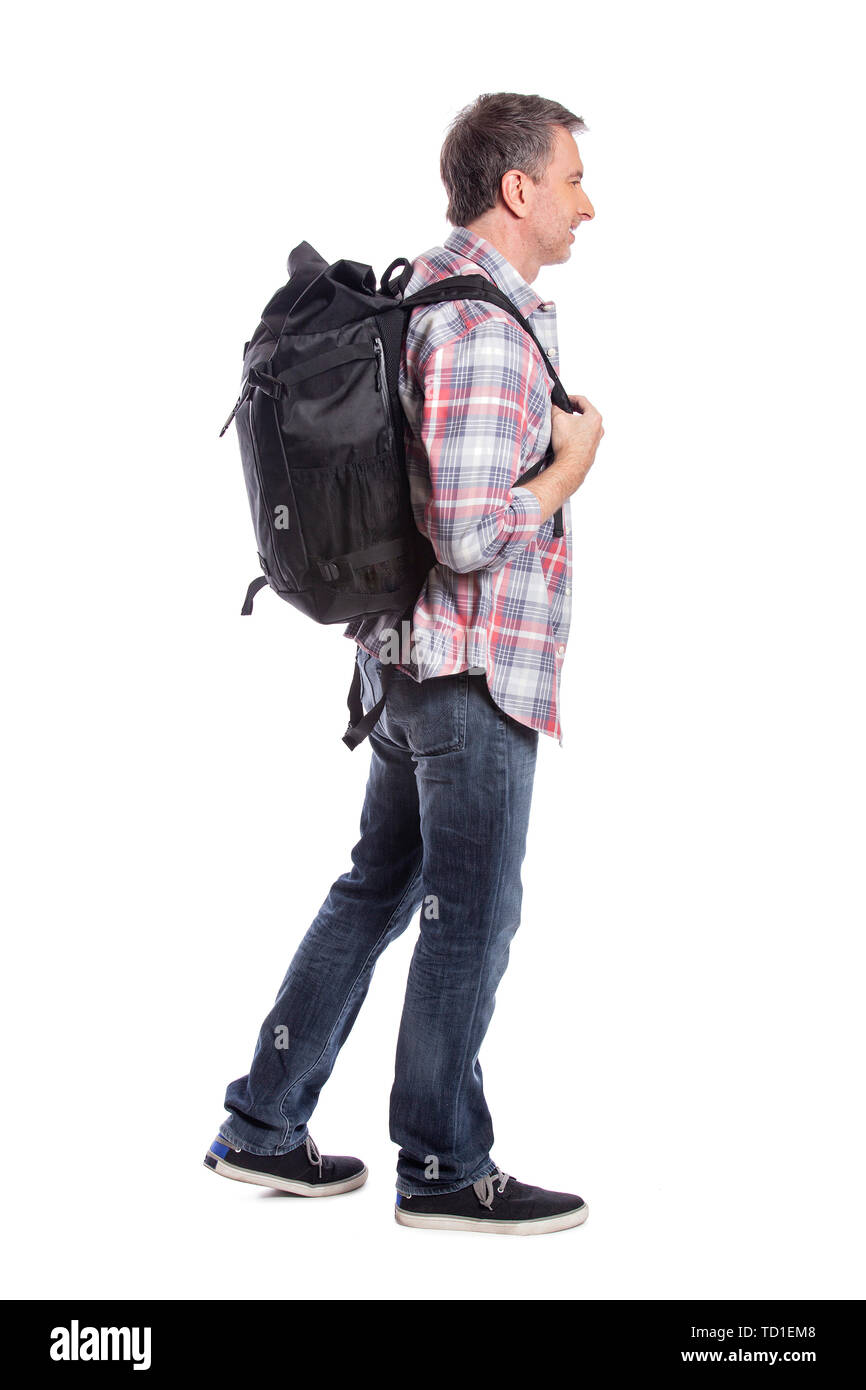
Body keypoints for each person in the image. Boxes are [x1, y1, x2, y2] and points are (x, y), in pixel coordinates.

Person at [204, 91, 604, 1236]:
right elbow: (472, 533)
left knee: (376, 888)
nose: (588, 203)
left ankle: (262, 1122)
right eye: (572, 179)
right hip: (471, 676)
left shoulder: (425, 291)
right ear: (516, 189)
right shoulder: (483, 329)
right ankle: (441, 1160)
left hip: (402, 665)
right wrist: (571, 464)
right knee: (468, 914)